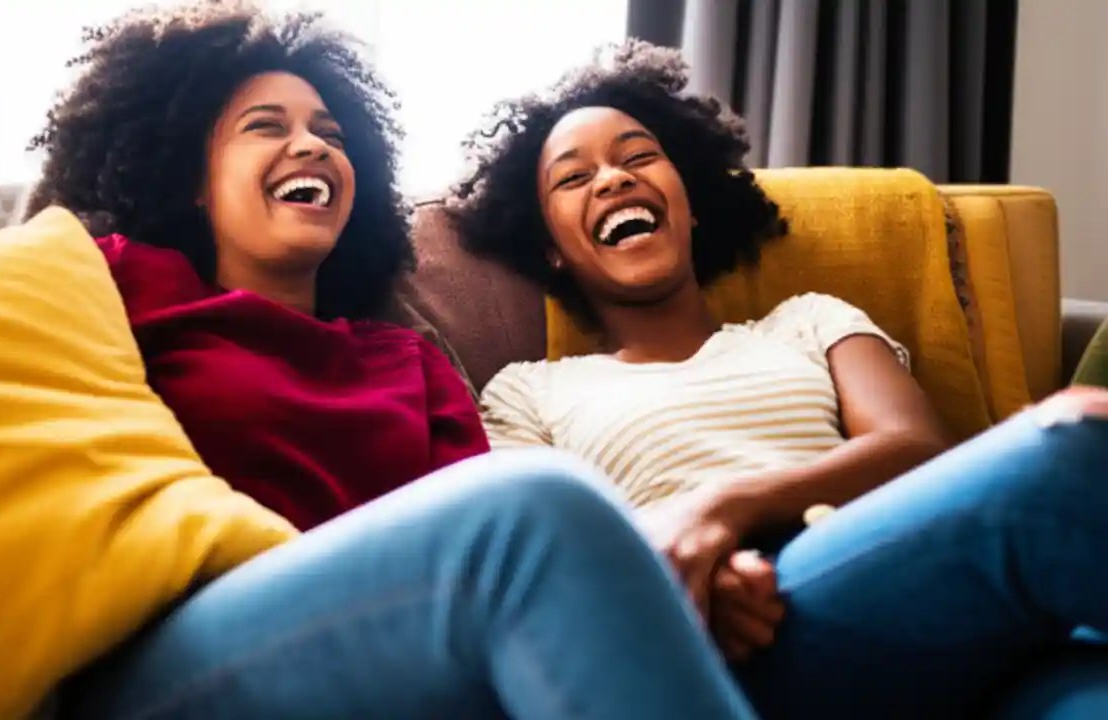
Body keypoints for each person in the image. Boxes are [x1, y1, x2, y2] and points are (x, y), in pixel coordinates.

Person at [0, 6, 759, 719]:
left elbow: (474, 545)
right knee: (539, 507)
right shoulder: (116, 278)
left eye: (330, 133)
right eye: (264, 126)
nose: (310, 142)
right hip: (165, 657)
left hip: (388, 661)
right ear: (191, 180)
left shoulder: (408, 360)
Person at [452, 38, 1108, 719]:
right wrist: (690, 570)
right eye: (572, 178)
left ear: (692, 202)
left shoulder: (810, 321)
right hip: (726, 634)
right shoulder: (527, 392)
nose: (614, 179)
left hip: (907, 590)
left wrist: (720, 509)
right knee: (1071, 451)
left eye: (639, 156)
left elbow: (914, 446)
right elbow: (543, 559)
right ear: (551, 249)